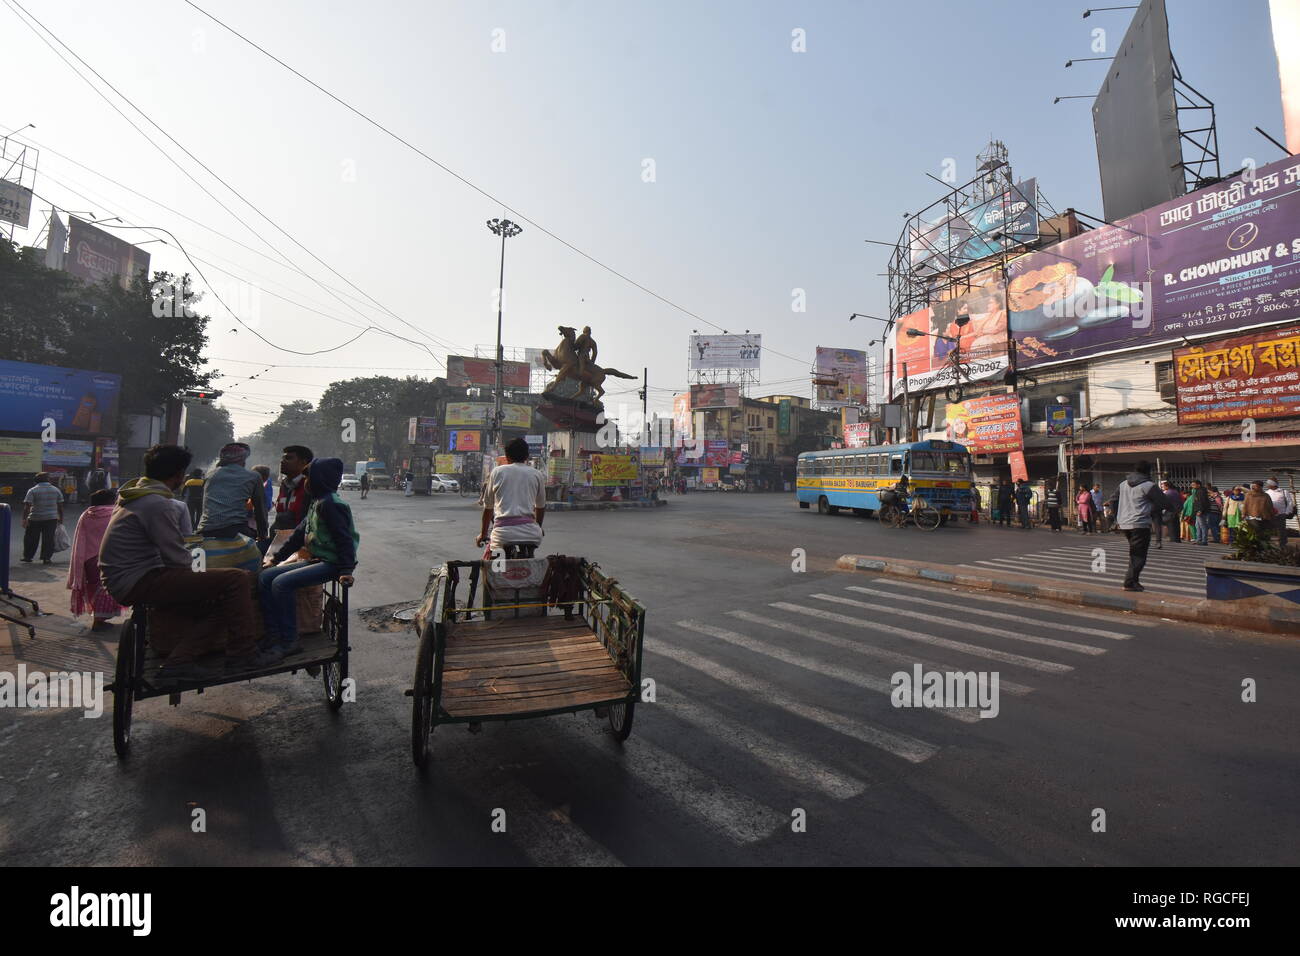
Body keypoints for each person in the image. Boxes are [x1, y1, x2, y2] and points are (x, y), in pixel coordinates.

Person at [98, 444, 274, 678]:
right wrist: (206, 574)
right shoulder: (156, 503)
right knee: (237, 579)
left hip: (127, 577)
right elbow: (178, 558)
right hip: (138, 579)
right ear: (179, 474)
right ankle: (243, 653)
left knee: (221, 598)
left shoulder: (135, 494)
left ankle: (180, 659)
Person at [259, 458, 358, 658]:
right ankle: (274, 633)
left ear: (319, 480)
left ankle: (289, 640)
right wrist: (276, 559)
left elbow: (345, 539)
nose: (305, 482)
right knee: (265, 577)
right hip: (318, 559)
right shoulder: (317, 502)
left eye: (308, 477)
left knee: (280, 584)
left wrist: (346, 570)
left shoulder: (331, 504)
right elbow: (298, 536)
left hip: (333, 563)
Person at [477, 437, 546, 558]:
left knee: (496, 568)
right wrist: (538, 527)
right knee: (529, 566)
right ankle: (529, 562)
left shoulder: (497, 472)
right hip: (531, 533)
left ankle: (497, 571)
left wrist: (482, 534)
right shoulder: (536, 474)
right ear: (527, 456)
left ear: (507, 457)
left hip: (502, 535)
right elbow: (540, 507)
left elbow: (488, 508)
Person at [67, 488, 124, 631]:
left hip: (89, 559)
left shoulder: (86, 514)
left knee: (95, 588)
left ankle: (99, 618)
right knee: (107, 589)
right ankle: (99, 621)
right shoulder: (115, 512)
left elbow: (80, 538)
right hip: (109, 556)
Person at [1107, 460, 1166, 592]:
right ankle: (1129, 582)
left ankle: (1133, 581)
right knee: (1139, 555)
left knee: (1134, 553)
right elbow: (1164, 502)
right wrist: (1155, 510)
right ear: (1148, 471)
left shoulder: (1122, 484)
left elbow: (1113, 500)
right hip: (1140, 524)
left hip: (1124, 524)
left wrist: (1116, 517)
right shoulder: (1149, 486)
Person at [198, 442, 269, 546]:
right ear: (242, 459)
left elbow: (204, 505)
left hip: (205, 530)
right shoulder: (253, 476)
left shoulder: (210, 474)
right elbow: (260, 510)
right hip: (235, 530)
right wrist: (262, 535)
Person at [21, 472, 65, 564]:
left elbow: (27, 506)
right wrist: (61, 518)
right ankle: (46, 558)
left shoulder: (32, 490)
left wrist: (24, 519)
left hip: (35, 518)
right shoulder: (56, 490)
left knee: (31, 538)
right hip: (51, 518)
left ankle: (28, 556)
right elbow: (60, 507)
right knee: (48, 538)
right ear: (48, 480)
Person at [275, 445, 314, 532]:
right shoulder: (284, 485)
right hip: (280, 538)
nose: (282, 461)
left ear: (303, 463)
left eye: (288, 458)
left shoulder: (310, 486)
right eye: (283, 458)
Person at [1264, 479, 1295, 548]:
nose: (1267, 485)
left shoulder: (1284, 492)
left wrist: (1286, 513)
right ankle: (1268, 545)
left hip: (1281, 514)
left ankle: (1283, 544)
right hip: (1270, 514)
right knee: (1268, 529)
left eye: (1268, 484)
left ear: (1273, 484)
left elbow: (1290, 503)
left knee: (1281, 530)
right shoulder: (1267, 492)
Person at [1188, 479, 1212, 546]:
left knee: (1203, 526)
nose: (1192, 486)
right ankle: (1198, 539)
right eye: (1192, 484)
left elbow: (1202, 502)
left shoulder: (1201, 491)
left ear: (1198, 485)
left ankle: (1204, 541)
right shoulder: (1197, 491)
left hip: (1201, 511)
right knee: (1197, 526)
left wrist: (1200, 510)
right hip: (1198, 510)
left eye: (1193, 484)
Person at [1160, 481, 1182, 546]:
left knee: (1171, 526)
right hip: (1176, 511)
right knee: (1176, 526)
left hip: (1171, 511)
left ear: (1167, 486)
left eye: (1163, 486)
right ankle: (1177, 539)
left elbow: (1164, 503)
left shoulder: (1169, 493)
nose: (1162, 487)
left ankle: (1173, 540)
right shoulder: (1175, 492)